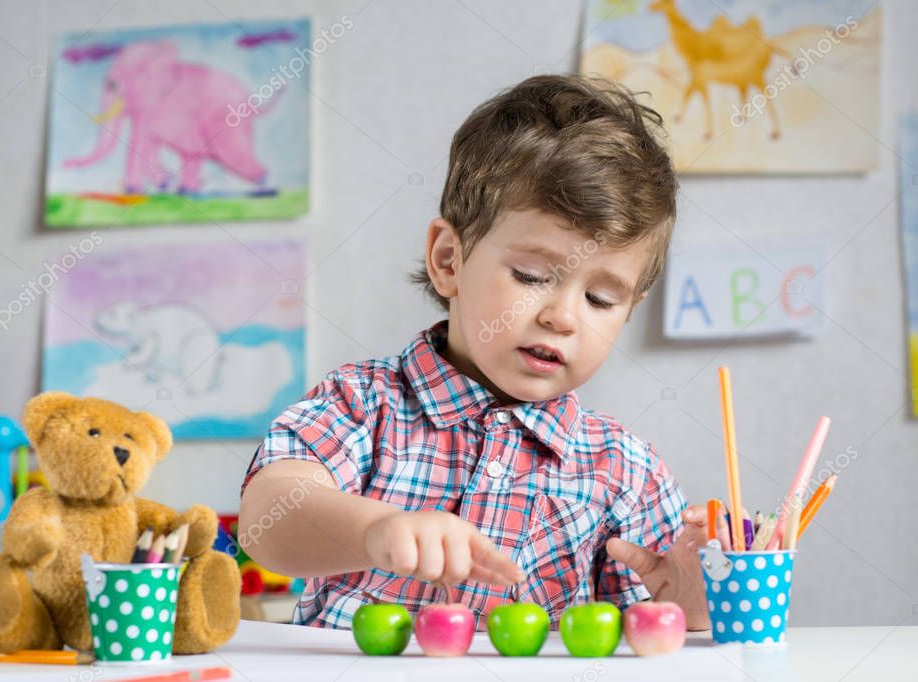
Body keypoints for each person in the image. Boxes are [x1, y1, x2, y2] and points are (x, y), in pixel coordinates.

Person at [239, 74, 709, 630]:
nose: (562, 316)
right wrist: (375, 529)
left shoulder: (626, 471)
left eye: (601, 298)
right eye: (533, 275)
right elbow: (268, 520)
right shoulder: (363, 404)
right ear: (448, 260)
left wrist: (692, 599)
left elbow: (667, 629)